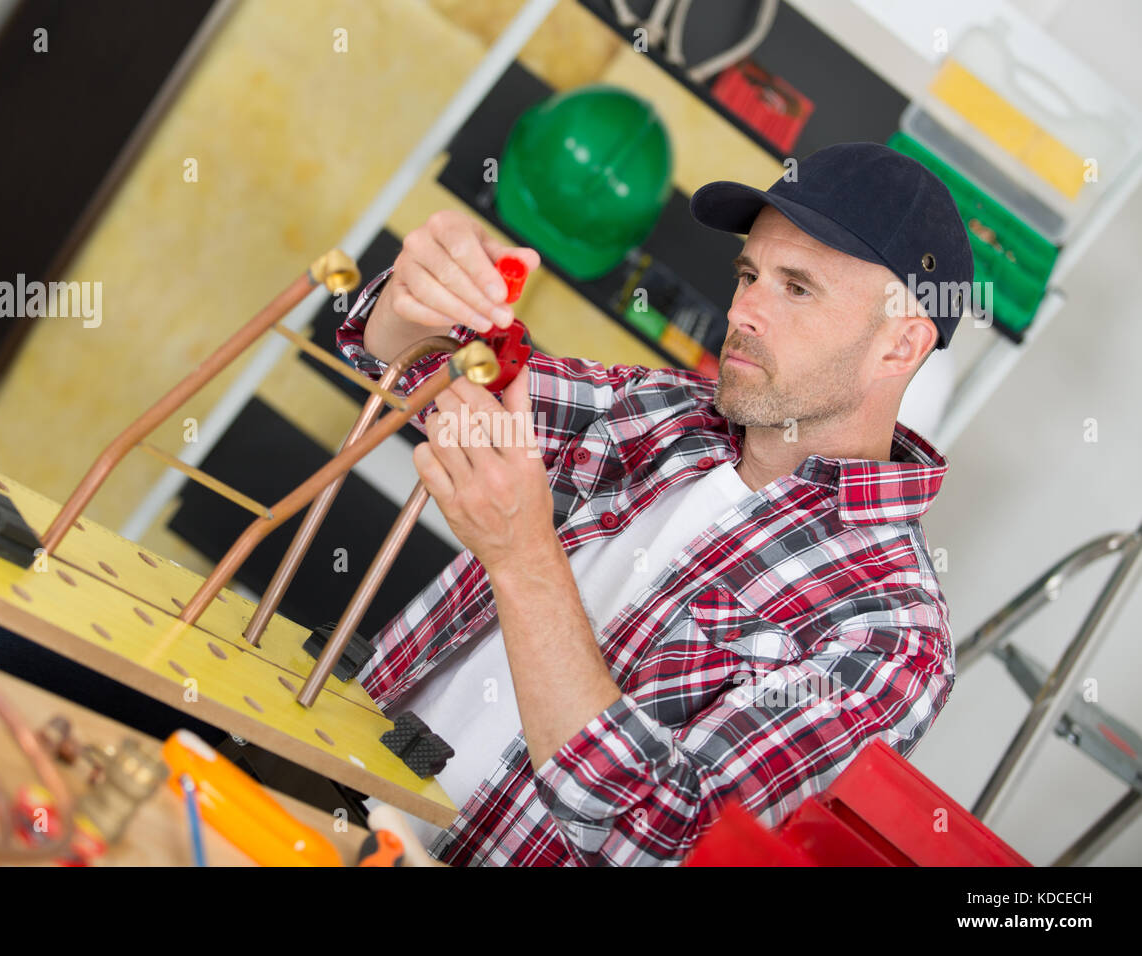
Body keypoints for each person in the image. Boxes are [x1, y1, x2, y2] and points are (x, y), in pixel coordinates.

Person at [336, 142, 973, 866]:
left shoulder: (891, 632)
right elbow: (413, 368)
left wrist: (524, 559)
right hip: (326, 802)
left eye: (796, 288)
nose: (743, 311)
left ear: (900, 346)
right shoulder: (662, 412)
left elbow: (660, 840)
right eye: (749, 273)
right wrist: (417, 295)